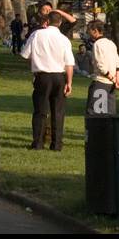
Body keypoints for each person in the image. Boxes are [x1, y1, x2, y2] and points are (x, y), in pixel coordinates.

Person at [21, 11, 74, 151]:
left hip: (42, 75)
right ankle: (56, 144)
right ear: (60, 23)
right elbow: (69, 63)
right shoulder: (64, 39)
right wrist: (69, 83)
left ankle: (38, 143)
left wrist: (34, 66)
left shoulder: (37, 34)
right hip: (59, 76)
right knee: (58, 112)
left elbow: (26, 55)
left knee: (40, 110)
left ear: (47, 21)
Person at [86, 20, 119, 115]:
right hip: (111, 85)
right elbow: (118, 64)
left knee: (95, 114)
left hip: (101, 82)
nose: (88, 33)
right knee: (109, 114)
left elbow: (100, 66)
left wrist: (112, 78)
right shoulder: (111, 43)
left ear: (95, 31)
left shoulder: (97, 44)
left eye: (89, 30)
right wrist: (117, 79)